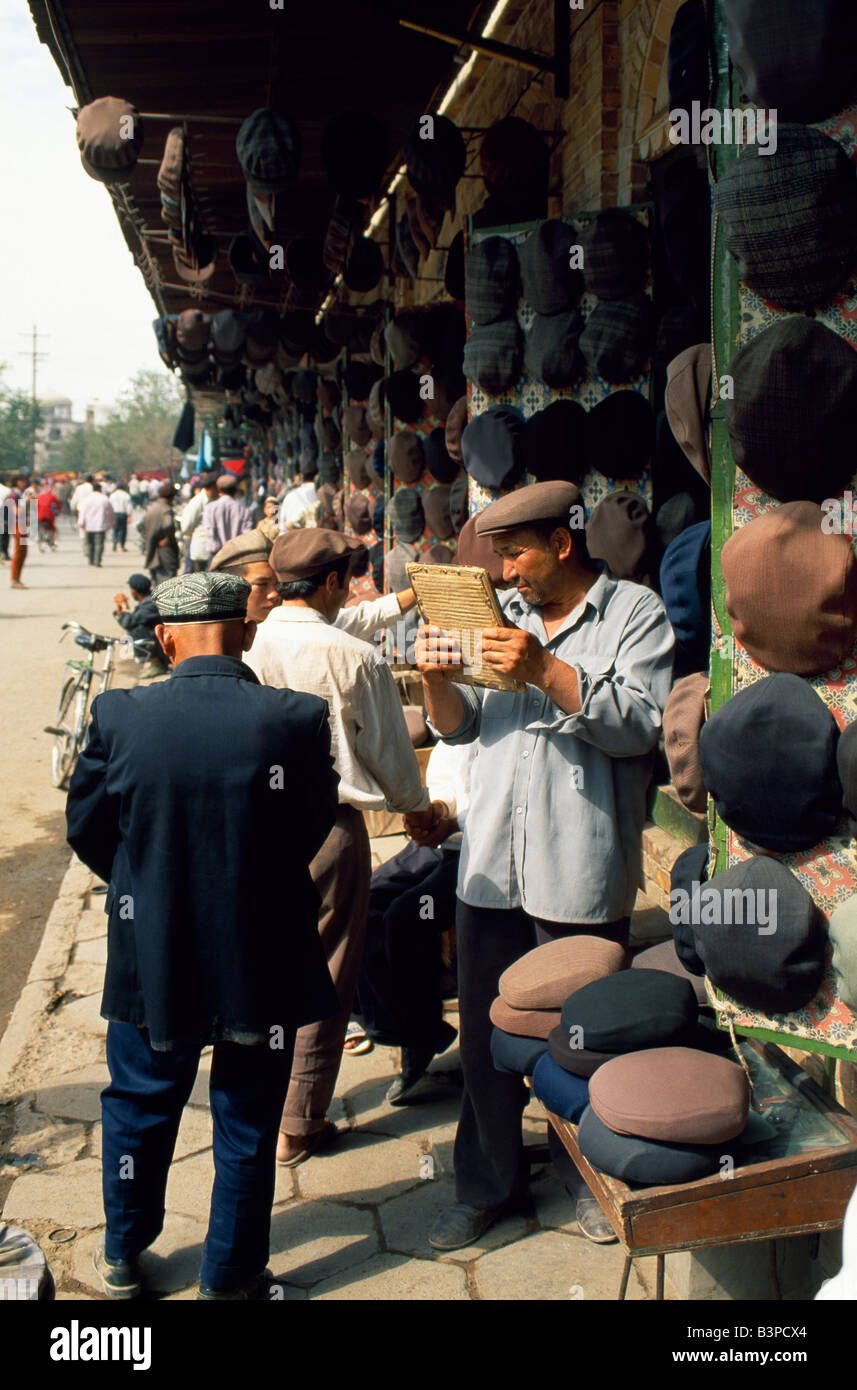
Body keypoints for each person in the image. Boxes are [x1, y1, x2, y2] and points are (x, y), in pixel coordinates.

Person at [414, 480, 675, 1251]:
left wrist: (545, 674)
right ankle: (487, 1183)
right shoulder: (505, 619)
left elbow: (641, 727)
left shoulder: (635, 614)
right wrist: (434, 677)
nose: (505, 575)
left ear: (561, 544)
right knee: (489, 1038)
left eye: (515, 554)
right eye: (497, 559)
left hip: (578, 868)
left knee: (581, 1040)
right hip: (491, 866)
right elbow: (460, 732)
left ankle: (588, 1175)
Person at [65, 571, 340, 1300]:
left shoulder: (120, 715)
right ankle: (232, 1273)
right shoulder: (296, 717)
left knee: (141, 1103)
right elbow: (307, 827)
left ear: (163, 638)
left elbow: (88, 828)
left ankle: (123, 1255)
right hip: (263, 955)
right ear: (246, 632)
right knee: (247, 1117)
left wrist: (145, 883)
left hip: (150, 955)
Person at [244, 530, 436, 1166]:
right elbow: (392, 760)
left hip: (258, 823)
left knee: (268, 962)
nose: (352, 591)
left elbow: (351, 616)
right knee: (329, 968)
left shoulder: (258, 635)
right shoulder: (355, 658)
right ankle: (300, 1120)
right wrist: (418, 813)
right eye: (348, 580)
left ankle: (262, 1102)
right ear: (330, 583)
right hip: (328, 827)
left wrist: (410, 595)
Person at [354, 736, 475, 1103]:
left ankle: (417, 1034)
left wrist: (451, 821)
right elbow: (445, 778)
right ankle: (409, 1028)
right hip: (442, 844)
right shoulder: (456, 721)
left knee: (405, 917)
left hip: (478, 847)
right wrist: (434, 812)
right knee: (362, 905)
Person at [113, 573, 168, 677]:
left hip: (160, 640)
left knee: (136, 630)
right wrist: (119, 608)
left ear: (133, 591)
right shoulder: (148, 600)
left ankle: (155, 664)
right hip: (159, 636)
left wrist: (124, 605)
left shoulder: (150, 604)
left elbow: (129, 623)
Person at [139, 483, 180, 584]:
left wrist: (149, 538)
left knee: (156, 585)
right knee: (167, 585)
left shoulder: (151, 508)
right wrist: (166, 539)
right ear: (172, 497)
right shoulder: (166, 510)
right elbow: (168, 524)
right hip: (165, 553)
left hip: (152, 553)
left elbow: (140, 527)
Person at [204, 474, 253, 556]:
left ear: (219, 490)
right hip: (238, 554)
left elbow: (210, 532)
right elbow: (247, 533)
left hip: (217, 554)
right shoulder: (244, 510)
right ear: (235, 490)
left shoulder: (210, 508)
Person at [180, 473, 219, 571]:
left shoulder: (217, 499)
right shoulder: (197, 502)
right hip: (201, 550)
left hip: (215, 550)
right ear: (213, 487)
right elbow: (186, 526)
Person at [6, 475, 35, 588]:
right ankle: (14, 579)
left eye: (24, 481)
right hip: (17, 525)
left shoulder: (20, 494)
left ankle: (17, 578)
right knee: (19, 552)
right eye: (21, 481)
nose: (24, 483)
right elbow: (16, 511)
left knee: (23, 552)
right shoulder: (14, 495)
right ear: (16, 482)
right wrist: (28, 502)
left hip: (22, 524)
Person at [78, 483, 114, 567]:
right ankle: (98, 560)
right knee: (99, 544)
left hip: (88, 526)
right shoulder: (104, 499)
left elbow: (82, 512)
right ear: (100, 489)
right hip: (100, 525)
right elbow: (110, 512)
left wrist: (81, 523)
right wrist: (112, 522)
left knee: (90, 543)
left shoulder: (86, 499)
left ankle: (91, 560)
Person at [278, 464, 318, 531]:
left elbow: (283, 527)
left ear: (301, 477)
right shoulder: (318, 493)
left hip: (294, 537)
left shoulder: (289, 497)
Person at [37, 480, 61, 548]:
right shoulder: (52, 496)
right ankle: (52, 542)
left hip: (40, 514)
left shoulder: (39, 496)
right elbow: (58, 505)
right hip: (49, 515)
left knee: (41, 525)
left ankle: (41, 535)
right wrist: (59, 510)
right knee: (52, 528)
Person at [109, 481, 132, 551]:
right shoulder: (126, 495)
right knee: (123, 530)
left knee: (115, 529)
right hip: (123, 514)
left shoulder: (112, 495)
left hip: (115, 514)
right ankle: (122, 546)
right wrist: (129, 515)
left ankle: (114, 543)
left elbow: (109, 505)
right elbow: (129, 506)